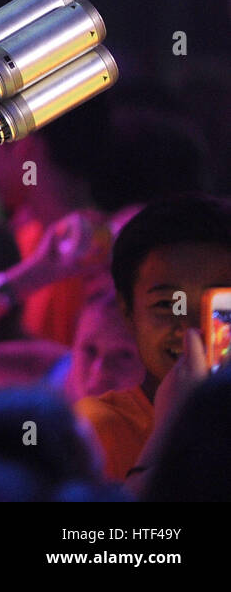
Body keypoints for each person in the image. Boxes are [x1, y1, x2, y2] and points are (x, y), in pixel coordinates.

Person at [73, 193, 231, 486]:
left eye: (218, 306)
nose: (190, 329)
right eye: (166, 305)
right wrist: (171, 427)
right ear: (128, 311)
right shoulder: (98, 429)